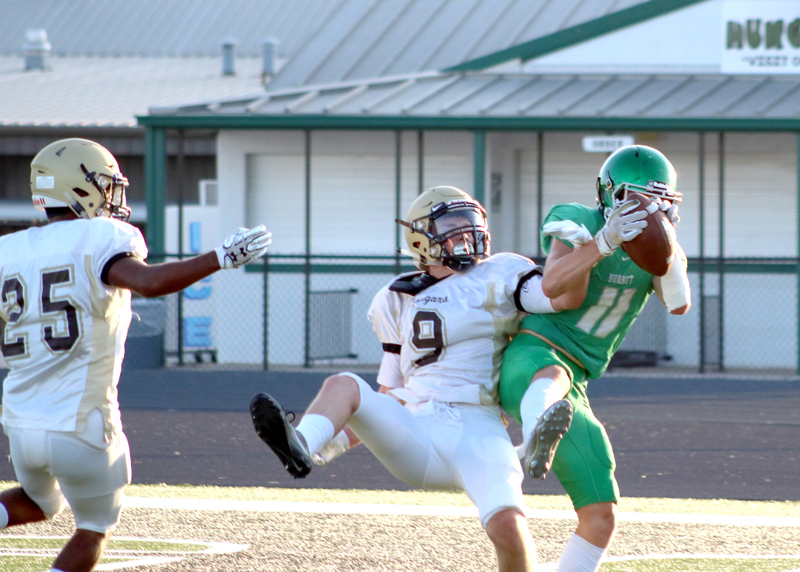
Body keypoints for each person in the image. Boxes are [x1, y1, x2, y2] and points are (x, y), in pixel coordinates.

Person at [250, 185, 580, 572]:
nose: (466, 234)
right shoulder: (394, 298)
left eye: (471, 224)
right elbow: (391, 394)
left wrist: (578, 250)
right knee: (345, 385)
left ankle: (530, 444)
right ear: (421, 238)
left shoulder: (501, 270)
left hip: (479, 427)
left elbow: (557, 297)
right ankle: (304, 446)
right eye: (453, 226)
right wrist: (337, 444)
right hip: (418, 429)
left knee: (509, 527)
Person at [0, 138, 271, 572]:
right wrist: (219, 257)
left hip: (20, 423)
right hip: (80, 422)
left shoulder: (8, 251)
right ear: (79, 188)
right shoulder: (102, 236)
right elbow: (145, 282)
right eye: (104, 185)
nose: (112, 195)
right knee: (93, 527)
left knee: (37, 499)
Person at [499, 145, 691, 572]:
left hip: (578, 381)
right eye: (638, 197)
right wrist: (604, 241)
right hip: (533, 355)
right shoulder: (580, 220)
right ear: (609, 194)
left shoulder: (655, 246)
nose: (649, 208)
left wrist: (670, 254)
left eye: (659, 200)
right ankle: (532, 432)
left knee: (601, 513)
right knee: (553, 375)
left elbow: (678, 304)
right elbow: (552, 285)